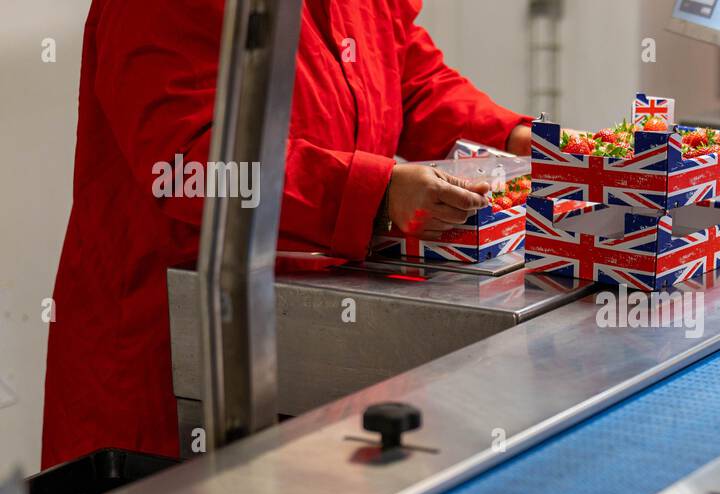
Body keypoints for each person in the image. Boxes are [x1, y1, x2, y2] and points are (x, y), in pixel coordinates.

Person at [42, 0, 531, 467]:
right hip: (170, 361)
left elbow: (410, 80)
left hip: (312, 341)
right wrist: (374, 194)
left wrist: (513, 140)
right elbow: (187, 156)